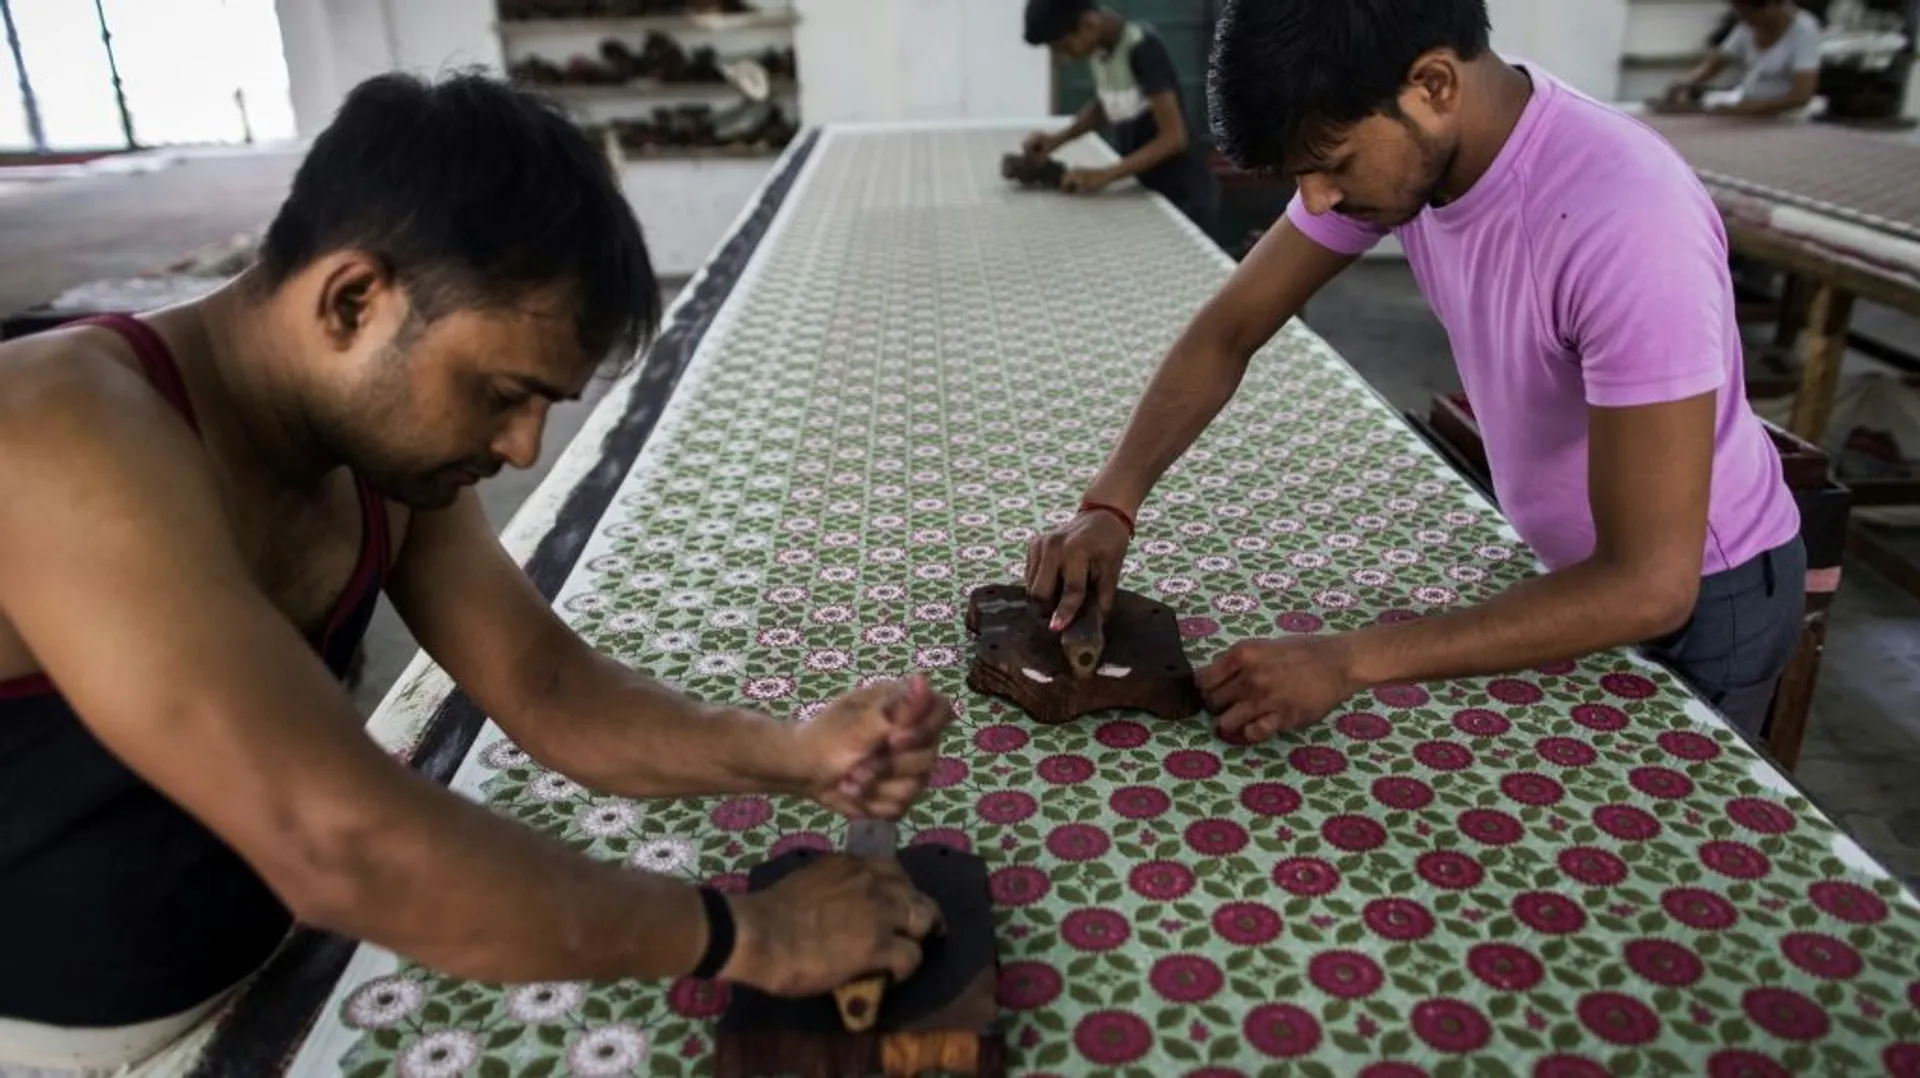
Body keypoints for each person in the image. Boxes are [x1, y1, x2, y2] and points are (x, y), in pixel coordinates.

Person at [0, 72, 951, 1077]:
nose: (525, 448)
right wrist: (751, 935)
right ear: (354, 300)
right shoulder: (57, 430)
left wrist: (792, 751)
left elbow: (549, 684)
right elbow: (339, 844)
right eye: (501, 394)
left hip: (267, 984)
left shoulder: (384, 461)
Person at [1025, 0, 1806, 745]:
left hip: (1706, 600)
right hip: (1566, 570)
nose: (1317, 201)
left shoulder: (1629, 221)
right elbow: (1229, 332)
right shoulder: (1421, 133)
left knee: (1660, 818)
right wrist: (1113, 500)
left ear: (1434, 84)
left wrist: (1349, 660)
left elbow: (1648, 584)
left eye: (1332, 166)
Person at [1018, 0, 1220, 232]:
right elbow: (1106, 103)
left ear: (1088, 24)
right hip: (1144, 188)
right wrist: (1055, 141)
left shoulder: (1142, 48)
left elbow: (1174, 137)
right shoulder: (1100, 51)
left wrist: (1104, 175)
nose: (1065, 57)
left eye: (1064, 46)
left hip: (1183, 196)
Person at [1664, 0, 1824, 117]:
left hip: (1786, 116)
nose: (1745, 20)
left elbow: (1801, 96)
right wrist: (1686, 82)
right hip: (1747, 106)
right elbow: (1716, 63)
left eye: (1747, 14)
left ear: (1772, 6)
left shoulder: (1804, 30)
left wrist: (1747, 109)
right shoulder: (1747, 25)